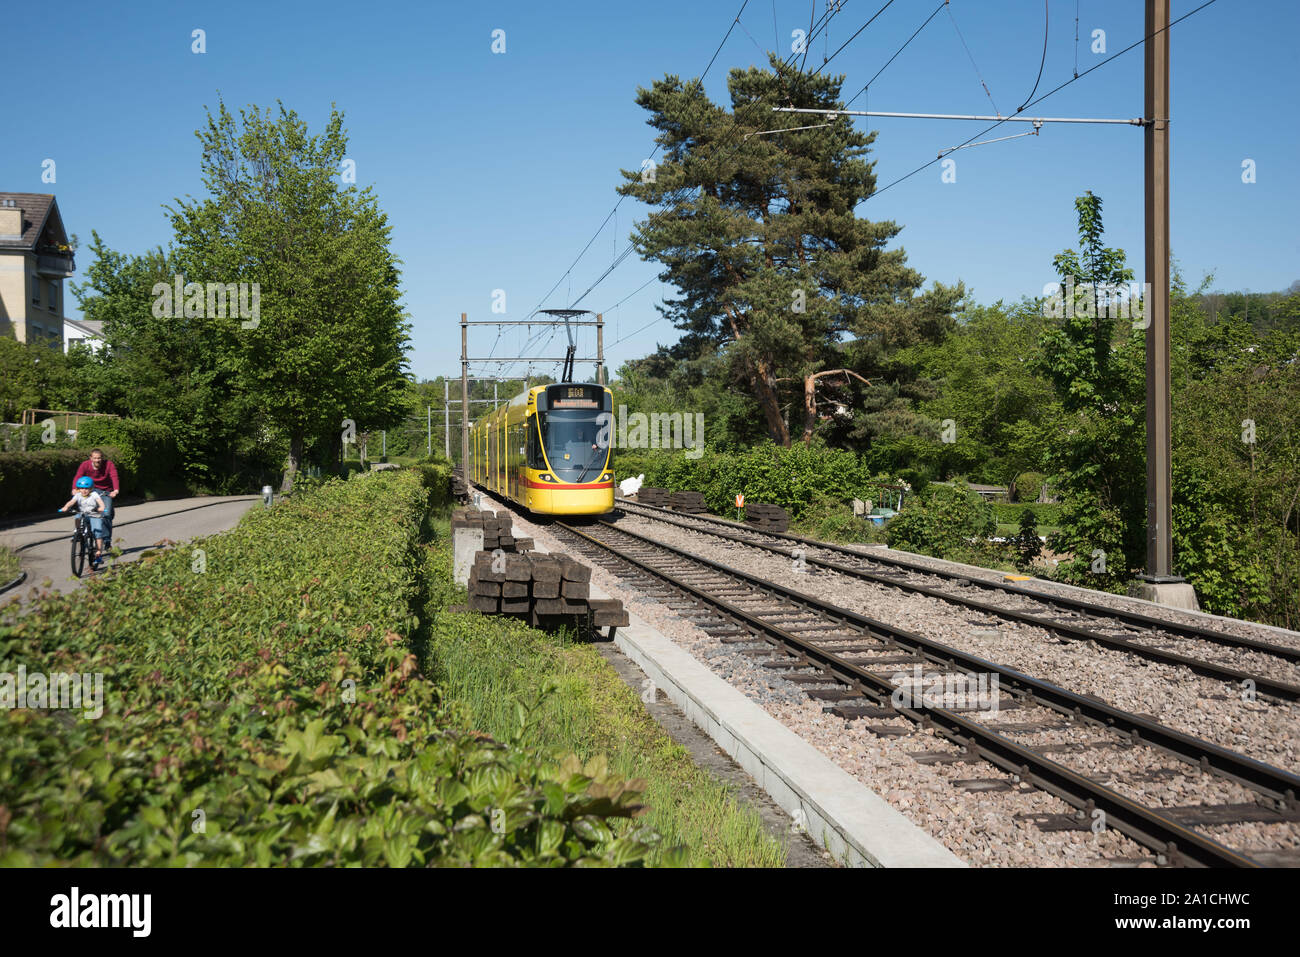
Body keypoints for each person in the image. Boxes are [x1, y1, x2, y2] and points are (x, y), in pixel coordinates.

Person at [71, 449, 120, 552]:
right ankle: (80, 531)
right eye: (95, 458)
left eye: (99, 458)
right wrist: (74, 489)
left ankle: (107, 541)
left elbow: (114, 476)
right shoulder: (85, 465)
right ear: (91, 458)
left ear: (102, 458)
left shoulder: (109, 464)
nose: (97, 460)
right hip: (90, 490)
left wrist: (115, 490)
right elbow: (78, 476)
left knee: (106, 514)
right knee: (81, 511)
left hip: (105, 492)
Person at [59, 476, 107, 565]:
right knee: (77, 516)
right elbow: (71, 502)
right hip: (83, 514)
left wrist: (102, 508)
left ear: (91, 488)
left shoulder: (94, 494)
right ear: (78, 489)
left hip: (94, 515)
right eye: (81, 488)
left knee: (98, 533)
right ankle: (78, 532)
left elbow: (101, 503)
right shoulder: (78, 495)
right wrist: (65, 507)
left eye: (86, 488)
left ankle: (98, 554)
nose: (84, 490)